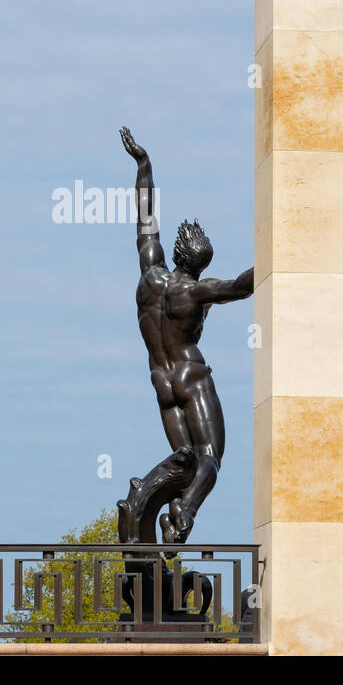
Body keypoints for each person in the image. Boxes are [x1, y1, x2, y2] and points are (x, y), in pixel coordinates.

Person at [119, 127, 253, 545]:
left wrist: (144, 164)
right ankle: (183, 512)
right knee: (209, 458)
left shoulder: (150, 276)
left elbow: (146, 222)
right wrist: (278, 251)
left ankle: (152, 510)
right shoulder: (196, 290)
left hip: (161, 382)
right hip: (191, 378)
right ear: (200, 263)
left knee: (185, 461)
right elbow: (242, 286)